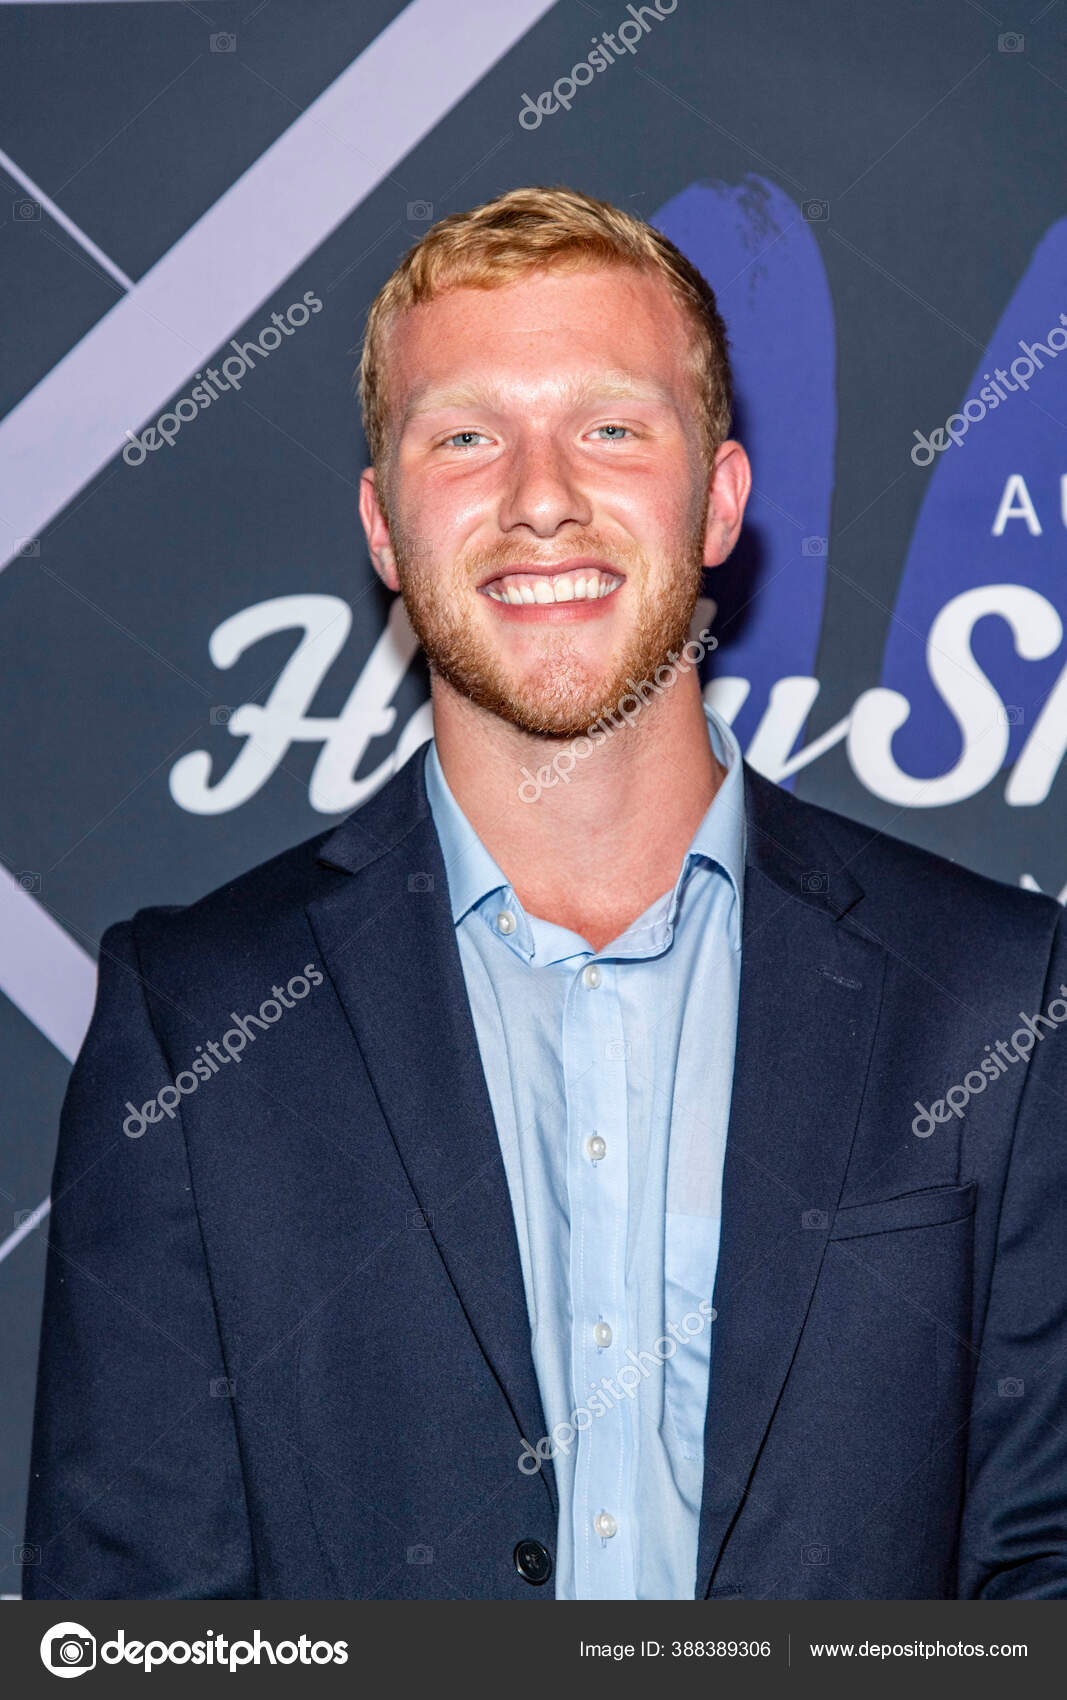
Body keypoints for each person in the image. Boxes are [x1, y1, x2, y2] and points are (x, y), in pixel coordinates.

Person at [23, 186, 1067, 1601]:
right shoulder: (194, 1021)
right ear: (385, 526)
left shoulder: (998, 999)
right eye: (464, 437)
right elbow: (133, 1625)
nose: (540, 498)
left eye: (611, 428)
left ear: (721, 500)